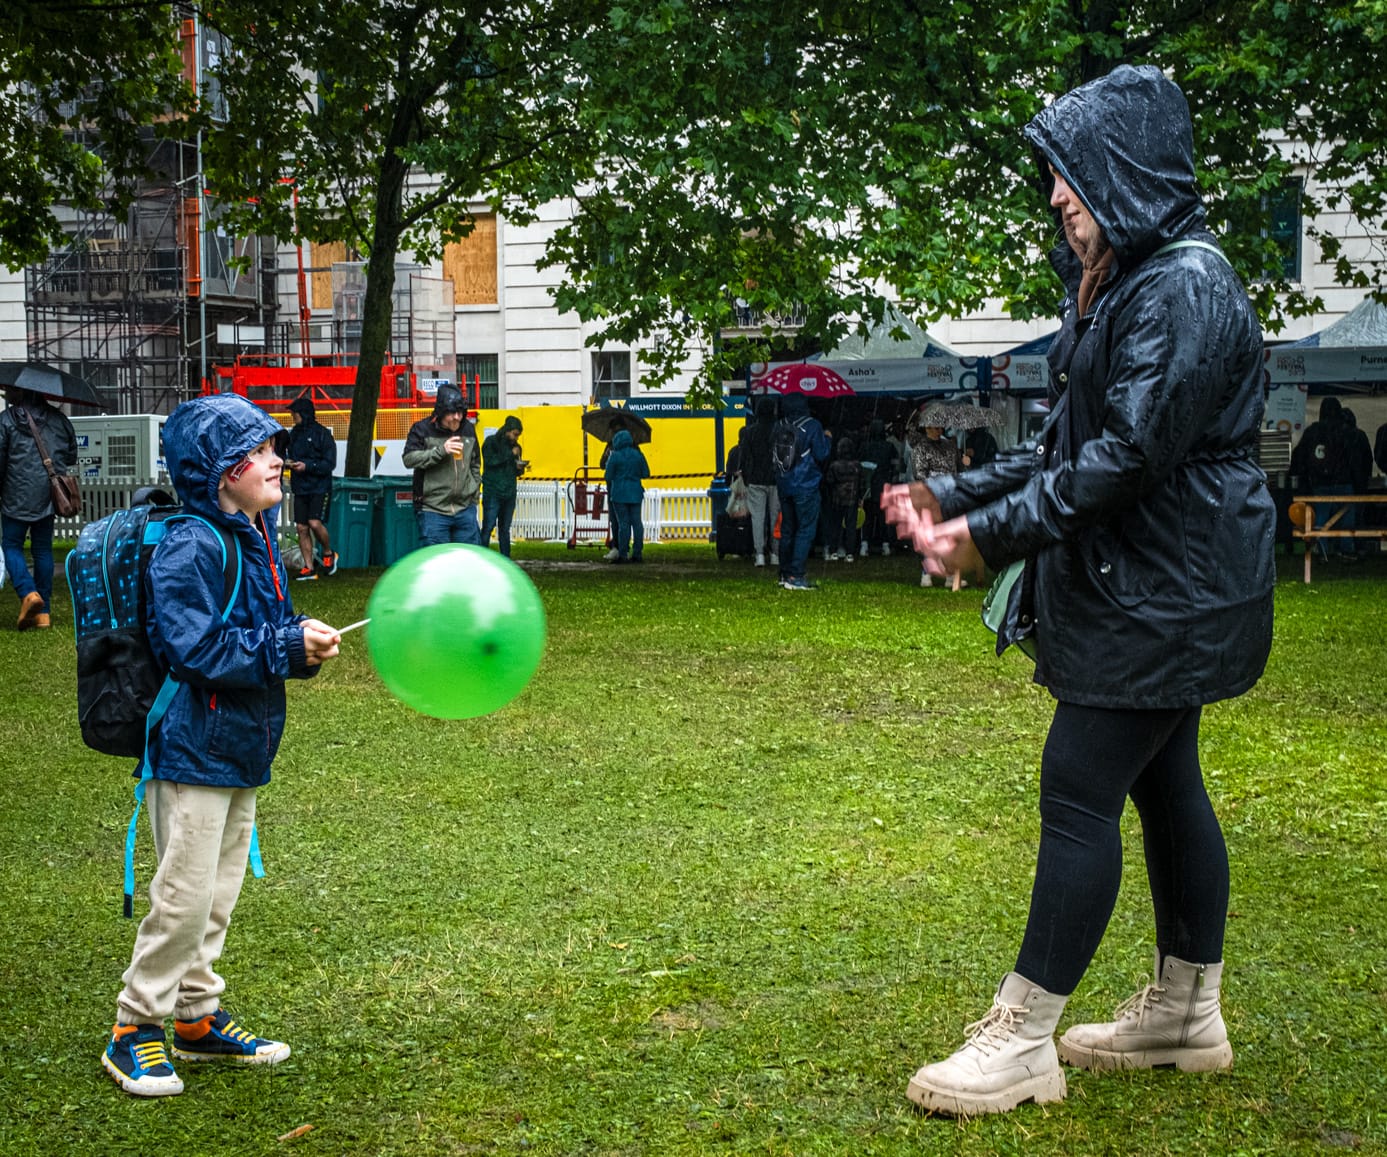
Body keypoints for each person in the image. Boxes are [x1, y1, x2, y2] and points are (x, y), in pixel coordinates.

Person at [883, 64, 1274, 1118]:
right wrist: (952, 494)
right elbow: (1067, 441)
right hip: (1162, 581)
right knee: (1165, 781)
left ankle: (1021, 1038)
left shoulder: (1181, 286)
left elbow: (1124, 458)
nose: (1056, 195)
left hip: (1167, 588)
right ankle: (1184, 1014)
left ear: (1126, 170)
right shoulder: (1131, 281)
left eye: (1073, 173)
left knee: (1078, 785)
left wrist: (984, 534)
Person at [102, 393, 340, 1097]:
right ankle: (133, 1026)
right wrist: (284, 647)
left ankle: (196, 1018)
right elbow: (196, 648)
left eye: (273, 449)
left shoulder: (255, 535)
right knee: (183, 896)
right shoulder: (191, 543)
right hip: (191, 748)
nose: (277, 460)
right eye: (259, 452)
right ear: (221, 471)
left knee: (216, 895)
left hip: (239, 745)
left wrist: (300, 640)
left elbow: (264, 630)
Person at [0, 387, 77, 630]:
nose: (6, 394)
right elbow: (71, 455)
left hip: (15, 496)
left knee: (11, 545)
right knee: (42, 550)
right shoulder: (60, 420)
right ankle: (43, 614)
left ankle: (28, 593)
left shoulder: (6, 420)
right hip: (48, 495)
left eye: (9, 390)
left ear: (20, 392)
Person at [403, 384, 482, 546]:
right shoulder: (421, 429)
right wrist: (441, 451)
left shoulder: (468, 429)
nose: (457, 417)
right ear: (440, 412)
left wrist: (473, 491)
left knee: (466, 557)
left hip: (465, 509)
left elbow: (475, 462)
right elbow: (409, 459)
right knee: (438, 559)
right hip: (432, 510)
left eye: (460, 412)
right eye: (452, 413)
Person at [775, 393, 832, 590]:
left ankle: (784, 573)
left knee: (787, 529)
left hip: (784, 484)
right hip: (805, 484)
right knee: (805, 530)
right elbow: (822, 454)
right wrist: (827, 438)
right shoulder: (812, 426)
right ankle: (796, 575)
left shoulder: (779, 425)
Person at [1291, 397, 1355, 558]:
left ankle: (1322, 549)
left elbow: (1299, 456)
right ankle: (1346, 549)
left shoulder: (1312, 431)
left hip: (1320, 482)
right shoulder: (1346, 431)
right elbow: (1354, 459)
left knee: (1321, 516)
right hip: (1343, 481)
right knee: (1346, 515)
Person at [906, 409, 962, 588]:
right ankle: (926, 573)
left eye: (941, 427)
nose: (940, 430)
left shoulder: (950, 446)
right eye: (936, 427)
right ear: (927, 428)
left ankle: (950, 574)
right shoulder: (920, 448)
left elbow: (958, 469)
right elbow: (919, 474)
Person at [284, 394, 338, 580]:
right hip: (300, 487)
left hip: (319, 487)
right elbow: (287, 454)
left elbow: (329, 464)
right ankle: (309, 568)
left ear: (304, 414)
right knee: (301, 527)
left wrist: (307, 466)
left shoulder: (323, 434)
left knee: (314, 523)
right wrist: (288, 463)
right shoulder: (294, 434)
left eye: (295, 413)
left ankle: (328, 552)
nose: (293, 417)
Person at [740, 398, 781, 569]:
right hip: (776, 479)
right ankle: (775, 553)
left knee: (758, 518)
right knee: (775, 517)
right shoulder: (779, 431)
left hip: (756, 479)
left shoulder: (750, 432)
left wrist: (746, 477)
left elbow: (744, 457)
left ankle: (759, 554)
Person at [481, 415, 526, 557]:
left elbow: (517, 471)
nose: (516, 438)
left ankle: (505, 558)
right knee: (488, 527)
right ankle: (482, 556)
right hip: (493, 491)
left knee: (505, 529)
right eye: (514, 434)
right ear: (507, 430)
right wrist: (510, 454)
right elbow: (490, 462)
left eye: (518, 435)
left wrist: (520, 468)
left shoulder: (517, 448)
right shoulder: (491, 443)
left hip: (509, 492)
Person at [603, 428, 649, 563]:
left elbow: (608, 476)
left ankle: (623, 553)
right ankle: (637, 553)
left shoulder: (615, 456)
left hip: (619, 494)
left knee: (623, 524)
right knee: (637, 523)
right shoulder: (638, 455)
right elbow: (646, 473)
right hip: (635, 493)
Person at [858, 419, 900, 557]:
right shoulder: (889, 447)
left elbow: (859, 465)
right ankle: (885, 545)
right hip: (884, 485)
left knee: (867, 517)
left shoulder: (865, 446)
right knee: (883, 518)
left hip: (868, 486)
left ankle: (864, 545)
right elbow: (896, 465)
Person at [823, 435, 863, 561]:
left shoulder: (834, 466)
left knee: (835, 526)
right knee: (851, 527)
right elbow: (861, 483)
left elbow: (829, 481)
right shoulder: (857, 466)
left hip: (837, 499)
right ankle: (850, 553)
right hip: (852, 499)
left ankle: (834, 551)